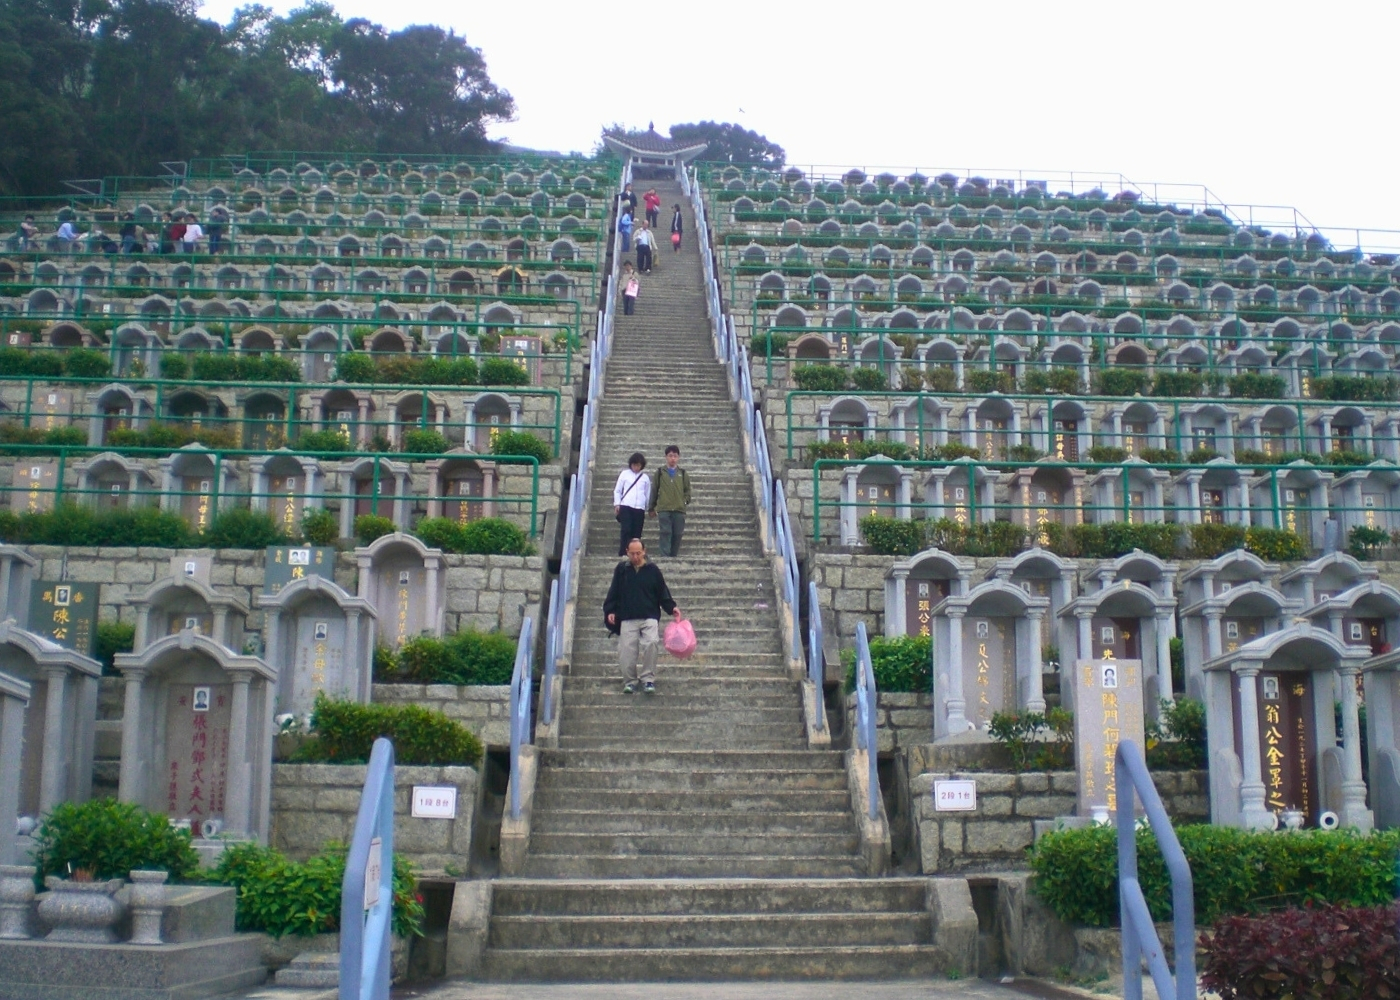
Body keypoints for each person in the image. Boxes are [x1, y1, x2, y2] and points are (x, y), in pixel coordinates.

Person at [604, 537, 681, 695]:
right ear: (627, 552)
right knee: (626, 650)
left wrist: (672, 608)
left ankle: (648, 679)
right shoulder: (621, 570)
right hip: (628, 616)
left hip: (649, 615)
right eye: (632, 553)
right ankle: (630, 681)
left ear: (644, 551)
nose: (635, 557)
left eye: (638, 553)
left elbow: (662, 592)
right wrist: (611, 610)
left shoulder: (653, 570)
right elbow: (614, 591)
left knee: (651, 643)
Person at [648, 445, 691, 557]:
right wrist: (652, 507)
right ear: (666, 457)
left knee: (677, 533)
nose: (673, 458)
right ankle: (664, 555)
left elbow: (687, 491)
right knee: (665, 532)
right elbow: (654, 490)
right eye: (670, 456)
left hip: (679, 509)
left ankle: (673, 555)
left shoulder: (683, 473)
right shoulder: (660, 472)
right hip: (664, 508)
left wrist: (684, 502)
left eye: (675, 456)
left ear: (678, 457)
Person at [613, 451, 650, 555]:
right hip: (626, 506)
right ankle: (623, 551)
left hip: (639, 508)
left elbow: (647, 493)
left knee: (637, 532)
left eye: (638, 465)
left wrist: (647, 507)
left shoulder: (645, 478)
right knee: (626, 529)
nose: (636, 467)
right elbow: (618, 490)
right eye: (634, 464)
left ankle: (636, 552)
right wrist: (617, 504)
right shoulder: (624, 474)